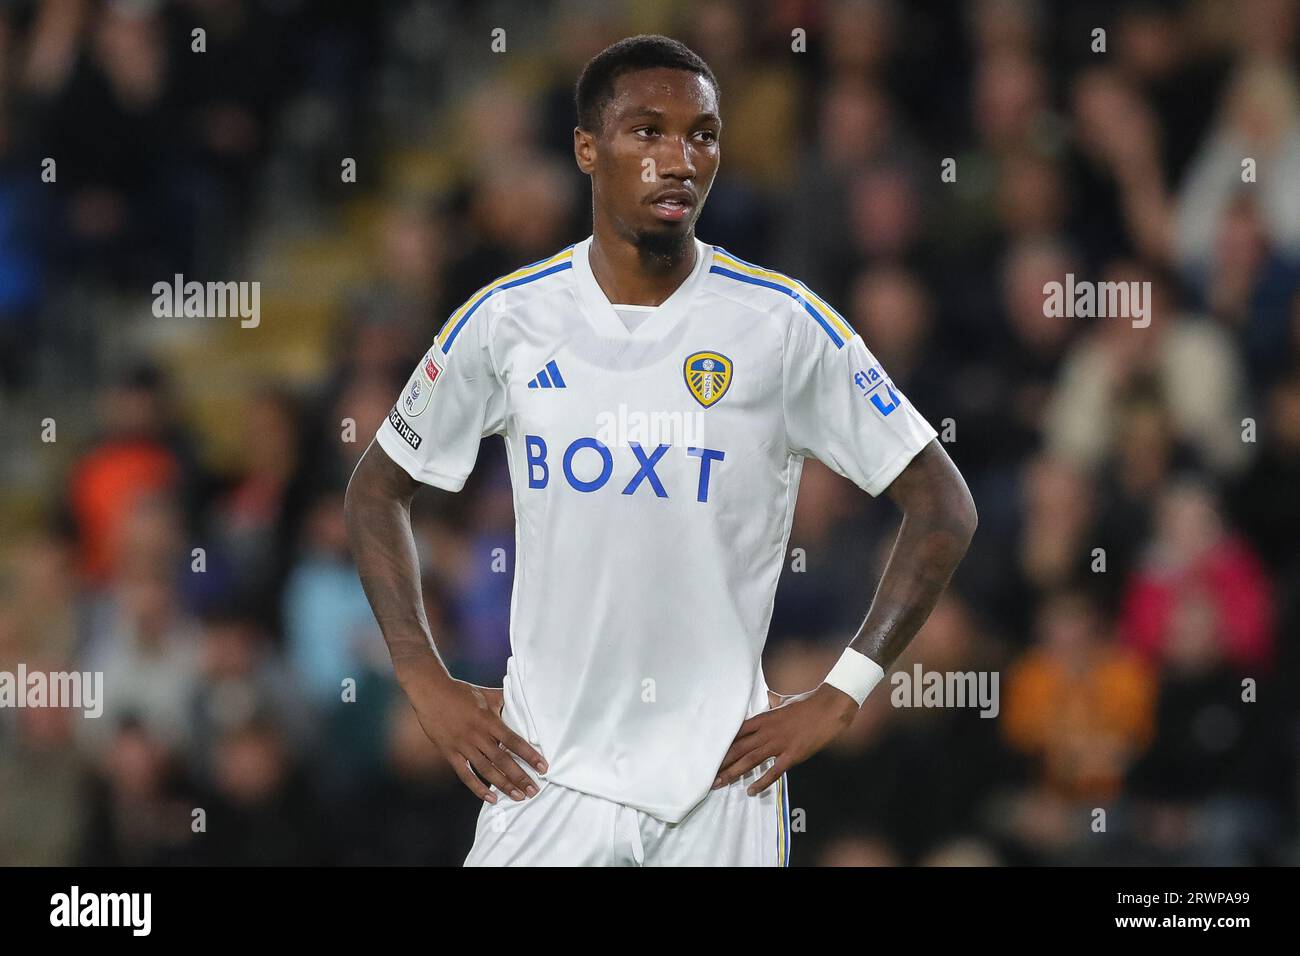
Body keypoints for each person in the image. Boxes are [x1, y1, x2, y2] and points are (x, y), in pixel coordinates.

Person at [344, 35, 976, 866]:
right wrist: (423, 679)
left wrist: (843, 691)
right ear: (586, 148)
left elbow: (944, 507)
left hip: (719, 785)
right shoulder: (509, 320)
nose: (679, 159)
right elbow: (375, 489)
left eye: (702, 136)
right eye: (647, 132)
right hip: (545, 778)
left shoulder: (780, 325)